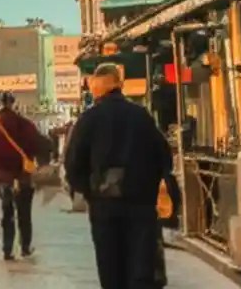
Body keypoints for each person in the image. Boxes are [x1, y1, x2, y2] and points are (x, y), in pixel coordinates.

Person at [65, 63, 172, 289]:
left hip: (104, 205)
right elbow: (163, 157)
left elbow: (73, 165)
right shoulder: (141, 116)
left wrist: (91, 190)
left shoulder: (89, 119)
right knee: (140, 265)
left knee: (110, 266)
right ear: (119, 85)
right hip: (140, 204)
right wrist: (149, 186)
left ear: (97, 88)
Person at [0, 92, 48, 261]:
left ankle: (7, 249)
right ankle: (25, 247)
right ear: (14, 104)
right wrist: (41, 164)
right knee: (24, 213)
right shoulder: (27, 125)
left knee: (7, 211)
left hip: (2, 178)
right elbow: (44, 145)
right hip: (24, 177)